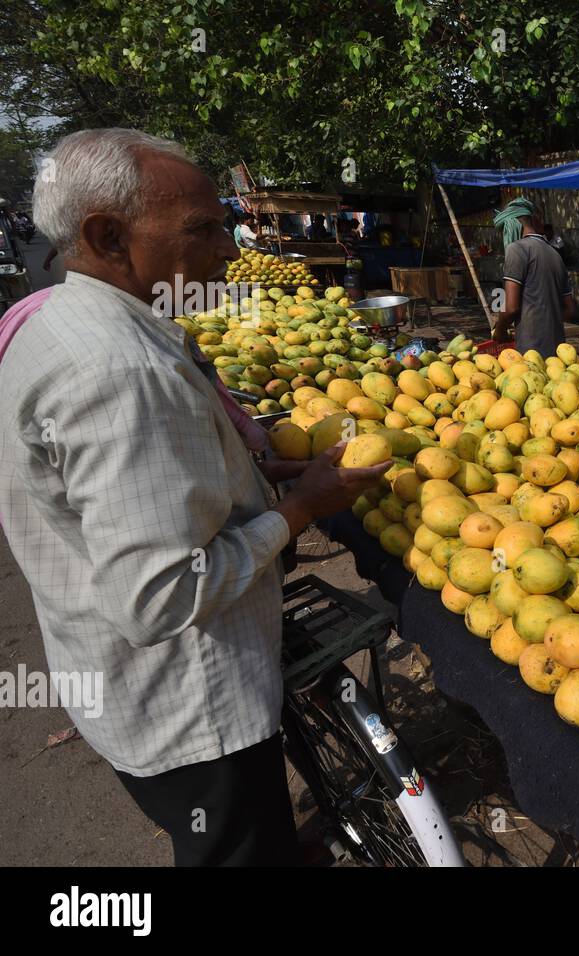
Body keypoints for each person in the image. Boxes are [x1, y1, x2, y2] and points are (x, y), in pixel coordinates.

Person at [0, 128, 391, 866]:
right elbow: (160, 597)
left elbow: (126, 491)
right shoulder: (119, 373)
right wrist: (302, 508)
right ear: (107, 236)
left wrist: (249, 478)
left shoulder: (55, 321)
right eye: (204, 228)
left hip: (115, 679)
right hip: (189, 705)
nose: (227, 248)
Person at [492, 197, 574, 357]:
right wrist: (548, 324)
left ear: (512, 225)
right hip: (558, 350)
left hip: (530, 349)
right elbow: (570, 309)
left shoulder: (516, 250)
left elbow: (511, 308)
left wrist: (499, 331)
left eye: (504, 231)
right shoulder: (555, 254)